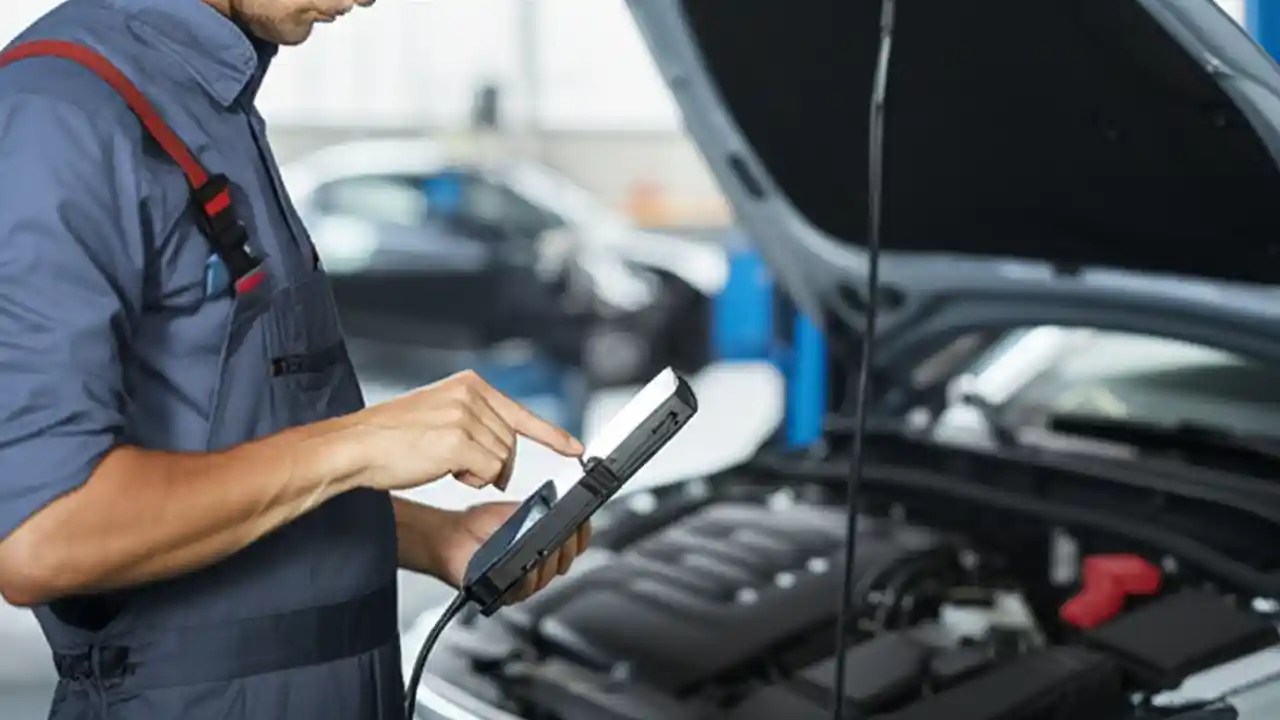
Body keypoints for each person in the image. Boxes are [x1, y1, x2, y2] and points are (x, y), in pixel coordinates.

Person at [0, 1, 591, 718]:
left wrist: (430, 535)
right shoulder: (61, 116)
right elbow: (42, 534)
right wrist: (359, 445)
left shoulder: (207, 99)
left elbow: (225, 454)